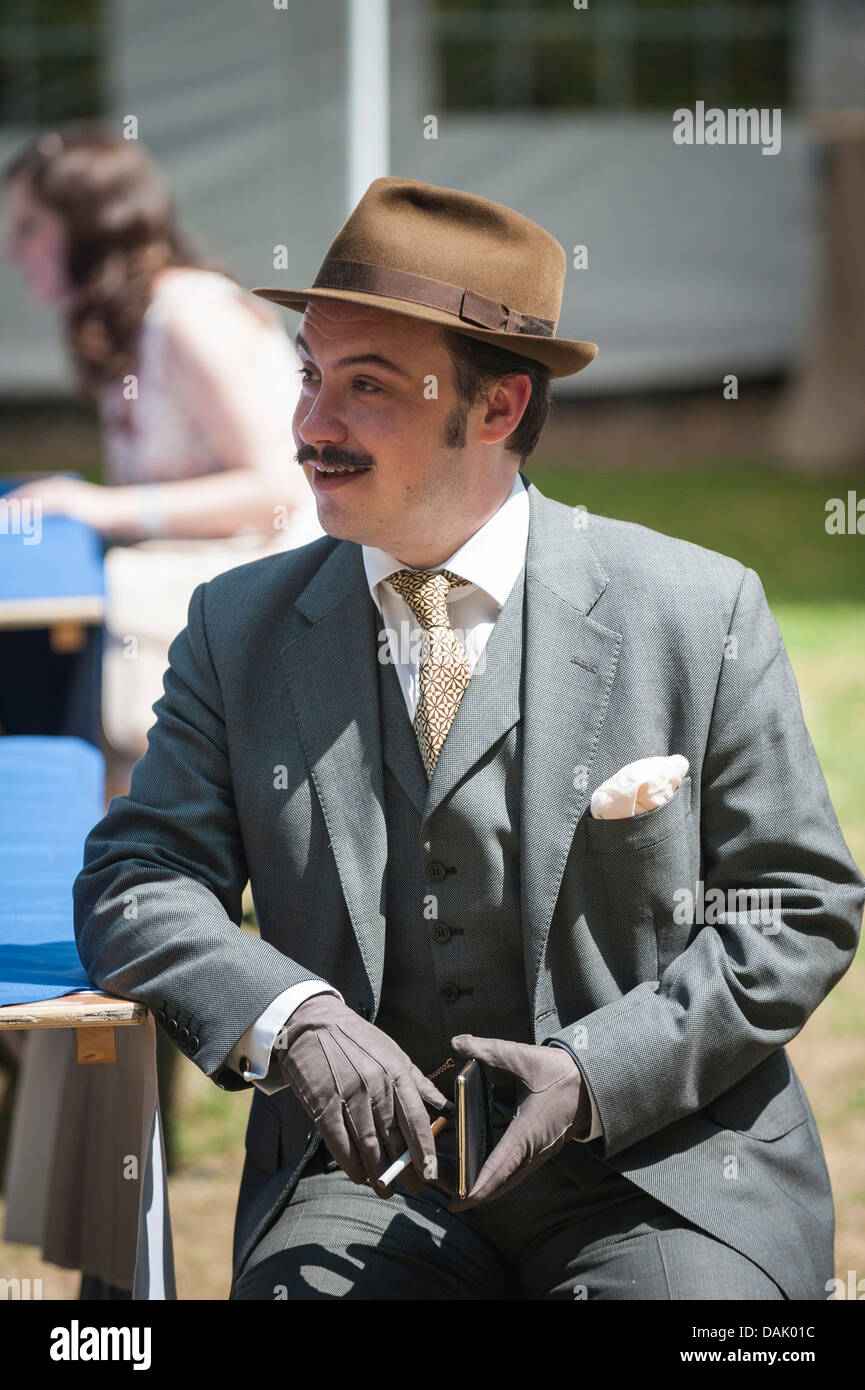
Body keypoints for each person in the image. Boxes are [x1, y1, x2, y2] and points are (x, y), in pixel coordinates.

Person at [73, 177, 865, 1301]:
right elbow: (138, 877)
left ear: (495, 409)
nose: (309, 426)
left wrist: (596, 1074)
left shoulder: (696, 608)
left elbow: (795, 902)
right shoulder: (236, 627)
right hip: (366, 1180)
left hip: (659, 1168)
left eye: (368, 387)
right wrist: (291, 1015)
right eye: (310, 374)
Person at [1, 125, 320, 756]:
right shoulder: (131, 319)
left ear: (90, 224)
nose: (15, 252)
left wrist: (97, 506)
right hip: (215, 589)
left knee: (43, 643)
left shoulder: (186, 313)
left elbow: (278, 488)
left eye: (30, 227)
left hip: (285, 600)